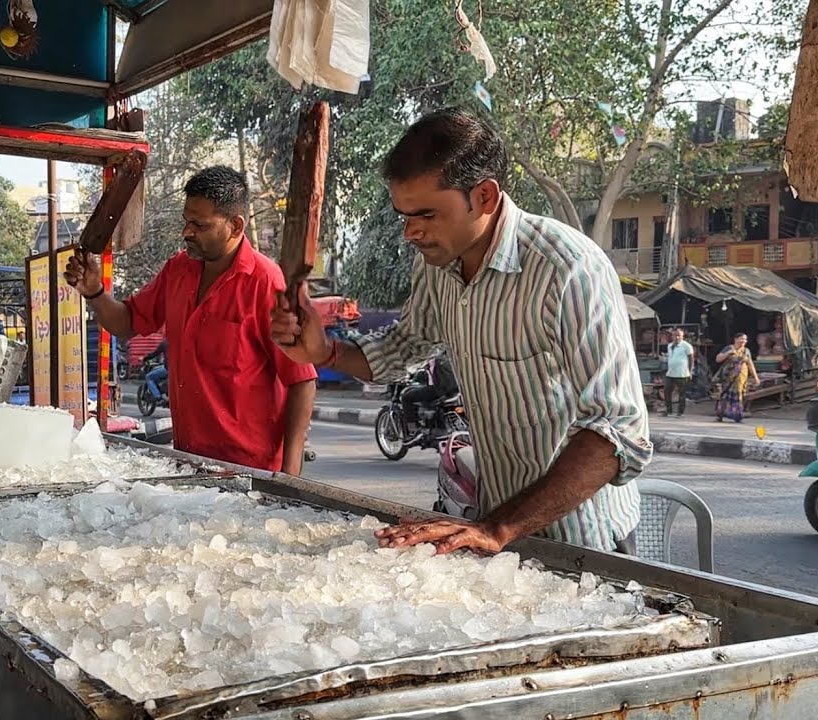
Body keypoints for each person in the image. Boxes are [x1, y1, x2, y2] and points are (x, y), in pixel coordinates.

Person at [271, 108, 651, 555]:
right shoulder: (435, 264)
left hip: (587, 538)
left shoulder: (568, 269)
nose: (411, 232)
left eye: (427, 214)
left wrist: (498, 528)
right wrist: (326, 351)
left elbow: (617, 431)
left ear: (485, 196)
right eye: (404, 216)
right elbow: (405, 348)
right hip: (497, 526)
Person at [64, 166, 317, 474]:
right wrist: (95, 293)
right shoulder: (178, 270)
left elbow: (302, 381)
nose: (187, 232)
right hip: (190, 462)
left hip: (251, 469)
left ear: (236, 226)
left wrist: (288, 479)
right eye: (186, 221)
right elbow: (127, 322)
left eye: (200, 224)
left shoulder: (267, 283)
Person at [400, 351, 459, 427]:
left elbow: (416, 368)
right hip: (452, 390)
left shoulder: (430, 359)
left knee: (406, 397)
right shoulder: (445, 357)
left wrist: (405, 376)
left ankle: (412, 427)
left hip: (437, 390)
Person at [714, 332, 759, 423]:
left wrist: (755, 377)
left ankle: (737, 415)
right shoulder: (728, 348)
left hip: (741, 377)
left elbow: (750, 364)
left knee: (739, 396)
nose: (743, 341)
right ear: (735, 339)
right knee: (725, 395)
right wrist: (727, 353)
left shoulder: (746, 351)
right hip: (728, 377)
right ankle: (721, 414)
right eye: (741, 339)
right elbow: (718, 359)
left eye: (745, 339)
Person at [663, 328, 695, 417]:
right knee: (667, 392)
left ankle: (680, 412)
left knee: (682, 393)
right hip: (670, 373)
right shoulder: (669, 346)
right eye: (675, 335)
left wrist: (690, 371)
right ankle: (669, 411)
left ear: (682, 336)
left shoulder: (687, 346)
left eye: (679, 335)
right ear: (672, 336)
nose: (677, 337)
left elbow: (691, 359)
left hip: (682, 373)